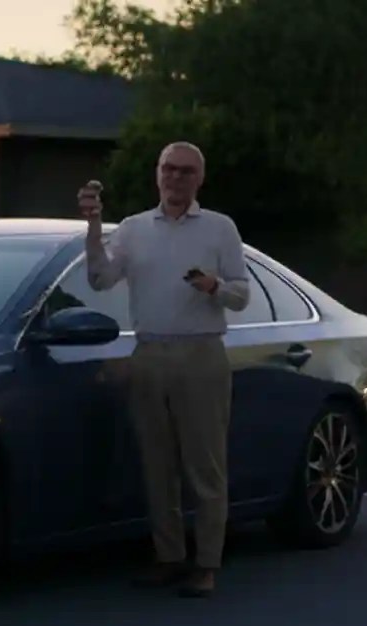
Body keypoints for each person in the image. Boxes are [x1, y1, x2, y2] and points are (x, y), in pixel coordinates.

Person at [77, 141, 250, 598]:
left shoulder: (219, 228)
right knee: (157, 464)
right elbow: (100, 279)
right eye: (169, 169)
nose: (176, 178)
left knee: (205, 466)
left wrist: (213, 287)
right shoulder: (134, 229)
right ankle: (168, 556)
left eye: (186, 171)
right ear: (157, 174)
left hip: (201, 355)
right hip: (150, 353)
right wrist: (93, 228)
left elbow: (241, 294)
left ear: (199, 179)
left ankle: (206, 564)